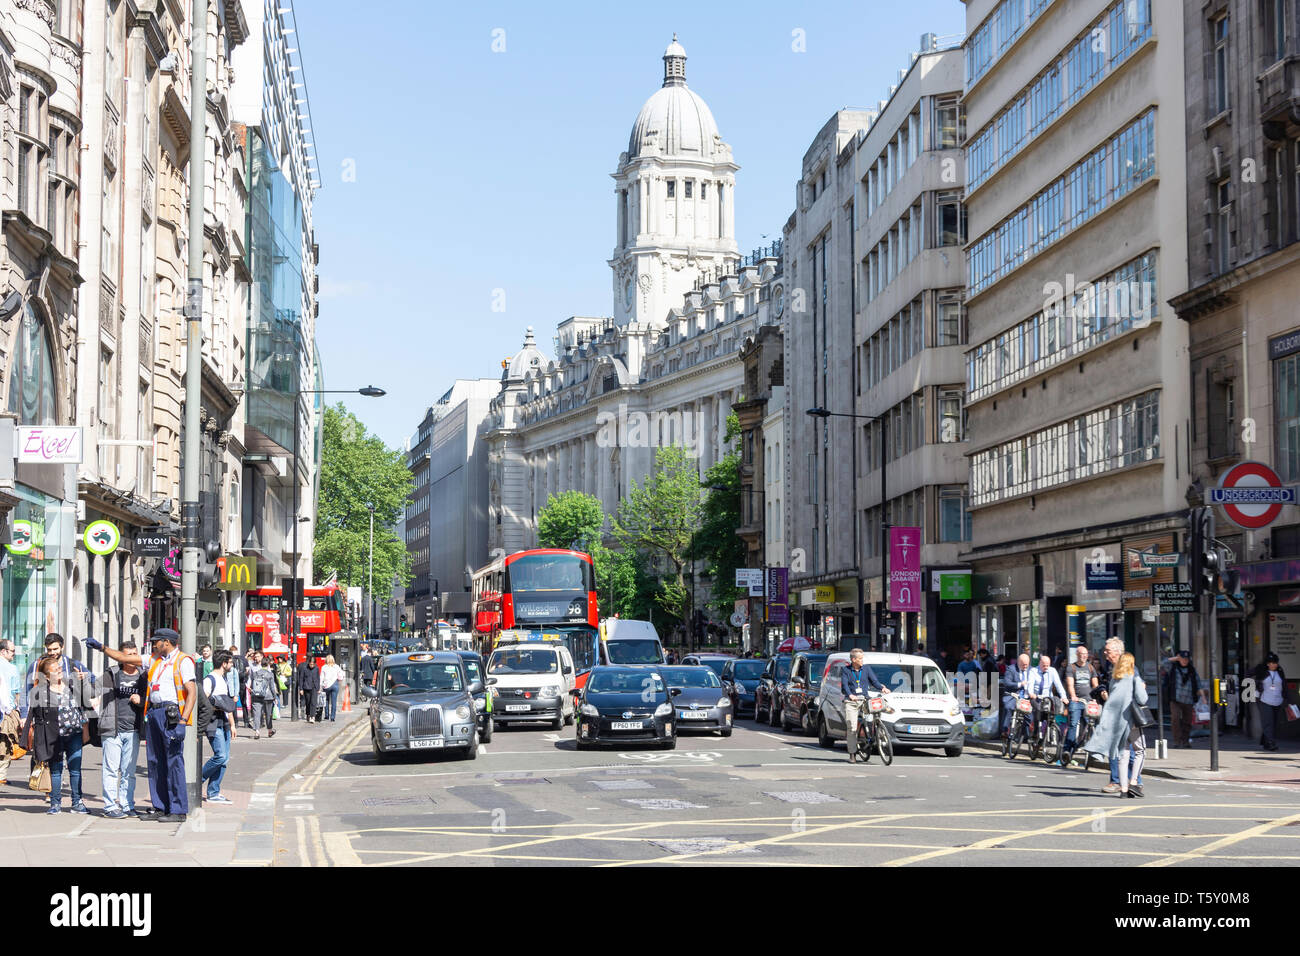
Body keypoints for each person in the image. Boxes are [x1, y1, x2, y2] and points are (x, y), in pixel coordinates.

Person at [87, 628, 196, 822]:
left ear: (167, 642)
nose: (154, 645)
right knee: (155, 762)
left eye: (157, 642)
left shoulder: (183, 661)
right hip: (154, 712)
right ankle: (161, 806)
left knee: (173, 762)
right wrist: (102, 648)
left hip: (170, 714)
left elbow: (192, 692)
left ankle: (178, 810)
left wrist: (182, 721)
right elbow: (126, 658)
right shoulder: (155, 660)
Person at [22, 656, 90, 813]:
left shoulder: (71, 685)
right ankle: (55, 804)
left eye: (59, 668)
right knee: (56, 770)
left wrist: (85, 730)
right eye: (55, 670)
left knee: (75, 769)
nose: (59, 672)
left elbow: (83, 707)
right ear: (46, 676)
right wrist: (37, 740)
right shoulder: (40, 693)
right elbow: (37, 719)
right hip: (54, 736)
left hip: (74, 733)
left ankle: (77, 803)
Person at [1088, 652, 1148, 798]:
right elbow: (1142, 698)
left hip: (1116, 721)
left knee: (1123, 753)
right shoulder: (1134, 675)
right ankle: (1134, 782)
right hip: (1131, 720)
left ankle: (1124, 790)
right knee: (1141, 750)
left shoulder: (1114, 678)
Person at [98, 640, 146, 818]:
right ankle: (110, 806)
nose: (131, 658)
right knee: (111, 769)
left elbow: (150, 699)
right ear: (120, 656)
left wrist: (141, 701)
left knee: (129, 771)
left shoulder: (144, 675)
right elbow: (92, 690)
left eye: (134, 654)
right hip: (112, 728)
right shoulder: (112, 673)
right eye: (127, 655)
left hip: (133, 729)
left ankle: (127, 805)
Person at [20, 633, 93, 720]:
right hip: (45, 720)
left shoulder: (73, 665)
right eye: (49, 650)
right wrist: (24, 715)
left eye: (55, 649)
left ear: (62, 647)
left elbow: (93, 681)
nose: (52, 653)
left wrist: (83, 679)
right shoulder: (37, 665)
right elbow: (26, 691)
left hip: (70, 721)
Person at [200, 650, 237, 803]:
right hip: (213, 722)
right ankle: (196, 781)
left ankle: (213, 793)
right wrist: (218, 707)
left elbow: (227, 705)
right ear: (224, 664)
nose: (232, 665)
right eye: (230, 662)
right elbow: (204, 703)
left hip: (225, 722)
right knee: (220, 756)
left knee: (225, 759)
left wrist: (233, 725)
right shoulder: (209, 680)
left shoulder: (224, 679)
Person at [841, 648, 889, 764]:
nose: (862, 660)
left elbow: (874, 681)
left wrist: (882, 688)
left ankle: (877, 731)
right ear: (853, 659)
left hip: (864, 700)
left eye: (862, 658)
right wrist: (850, 695)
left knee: (878, 709)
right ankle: (852, 753)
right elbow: (845, 685)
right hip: (851, 701)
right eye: (860, 658)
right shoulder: (845, 670)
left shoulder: (866, 669)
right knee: (852, 727)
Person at [1161, 649, 1205, 749]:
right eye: (1182, 658)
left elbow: (1199, 684)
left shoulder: (1192, 670)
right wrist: (1176, 658)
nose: (1184, 661)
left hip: (1189, 700)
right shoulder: (1173, 668)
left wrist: (1203, 698)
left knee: (1187, 721)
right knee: (1175, 719)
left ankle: (1185, 741)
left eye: (1186, 659)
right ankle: (1177, 741)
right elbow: (1163, 663)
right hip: (1175, 699)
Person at [1063, 646, 1099, 755]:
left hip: (1089, 701)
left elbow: (1095, 685)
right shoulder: (1071, 668)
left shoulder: (1091, 668)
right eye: (1082, 654)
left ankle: (1090, 749)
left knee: (1090, 724)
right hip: (1077, 700)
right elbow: (1070, 685)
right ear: (1077, 655)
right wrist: (1073, 696)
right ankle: (1067, 749)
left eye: (1086, 654)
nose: (1084, 656)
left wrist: (1095, 698)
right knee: (1073, 723)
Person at [1026, 653, 1067, 745]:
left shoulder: (1052, 671)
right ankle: (1034, 735)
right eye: (1044, 665)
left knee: (1053, 713)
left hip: (1048, 698)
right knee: (1038, 712)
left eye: (1047, 665)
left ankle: (1051, 732)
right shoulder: (1033, 671)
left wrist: (1064, 697)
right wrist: (1031, 693)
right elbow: (1030, 684)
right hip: (1036, 697)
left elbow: (1058, 685)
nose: (1046, 667)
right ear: (1040, 663)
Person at [1253, 652, 1287, 752]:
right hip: (1264, 700)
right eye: (1272, 663)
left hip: (1278, 700)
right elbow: (1249, 675)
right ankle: (1271, 743)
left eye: (1276, 663)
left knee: (1273, 723)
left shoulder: (1280, 671)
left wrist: (1286, 698)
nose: (1274, 665)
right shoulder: (1262, 671)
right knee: (1268, 722)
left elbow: (1284, 685)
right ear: (1268, 663)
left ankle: (1265, 742)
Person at [246, 650, 279, 738]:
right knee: (268, 714)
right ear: (267, 665)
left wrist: (249, 688)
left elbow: (250, 680)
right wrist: (275, 697)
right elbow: (272, 687)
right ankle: (269, 731)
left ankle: (257, 732)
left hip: (256, 695)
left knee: (256, 714)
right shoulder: (270, 674)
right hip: (268, 696)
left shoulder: (255, 673)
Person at [0, 638, 19, 786]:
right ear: (3, 651)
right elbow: (15, 693)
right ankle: (1, 775)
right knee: (5, 742)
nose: (14, 654)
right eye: (12, 651)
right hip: (6, 711)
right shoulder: (12, 669)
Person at [1000, 653, 1031, 735]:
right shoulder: (1011, 669)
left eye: (1026, 665)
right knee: (1008, 708)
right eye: (1023, 664)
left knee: (1031, 714)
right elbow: (1007, 682)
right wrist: (1020, 684)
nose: (1025, 667)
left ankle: (1028, 736)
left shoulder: (1031, 670)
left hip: (1026, 696)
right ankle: (1005, 730)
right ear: (1018, 662)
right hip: (1013, 695)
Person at [228, 646, 250, 729]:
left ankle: (235, 722)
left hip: (232, 684)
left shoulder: (230, 659)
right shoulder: (244, 659)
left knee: (233, 703)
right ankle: (246, 721)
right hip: (242, 682)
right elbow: (248, 670)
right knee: (244, 703)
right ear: (237, 650)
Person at [320, 655, 344, 721]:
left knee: (326, 700)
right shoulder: (336, 667)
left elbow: (321, 678)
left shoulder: (324, 667)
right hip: (335, 685)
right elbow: (341, 676)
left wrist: (320, 686)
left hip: (326, 686)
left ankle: (327, 715)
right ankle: (332, 717)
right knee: (334, 701)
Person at [297, 656, 320, 722]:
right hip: (306, 687)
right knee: (308, 702)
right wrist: (301, 689)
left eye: (313, 664)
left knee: (313, 702)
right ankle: (308, 714)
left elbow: (318, 678)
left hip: (314, 687)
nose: (312, 665)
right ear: (308, 663)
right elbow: (301, 678)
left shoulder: (316, 669)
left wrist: (318, 688)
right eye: (310, 664)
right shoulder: (305, 668)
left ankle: (312, 717)